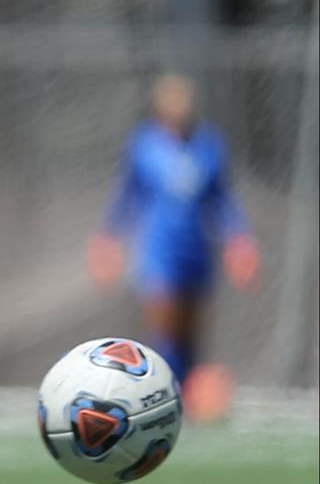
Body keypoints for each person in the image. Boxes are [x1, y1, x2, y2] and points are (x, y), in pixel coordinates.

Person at [88, 73, 258, 420]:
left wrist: (238, 240)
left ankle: (187, 401)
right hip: (159, 252)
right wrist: (108, 238)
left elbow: (222, 200)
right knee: (164, 330)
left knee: (191, 333)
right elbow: (127, 196)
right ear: (160, 108)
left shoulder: (209, 144)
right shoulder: (144, 145)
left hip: (197, 250)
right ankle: (160, 399)